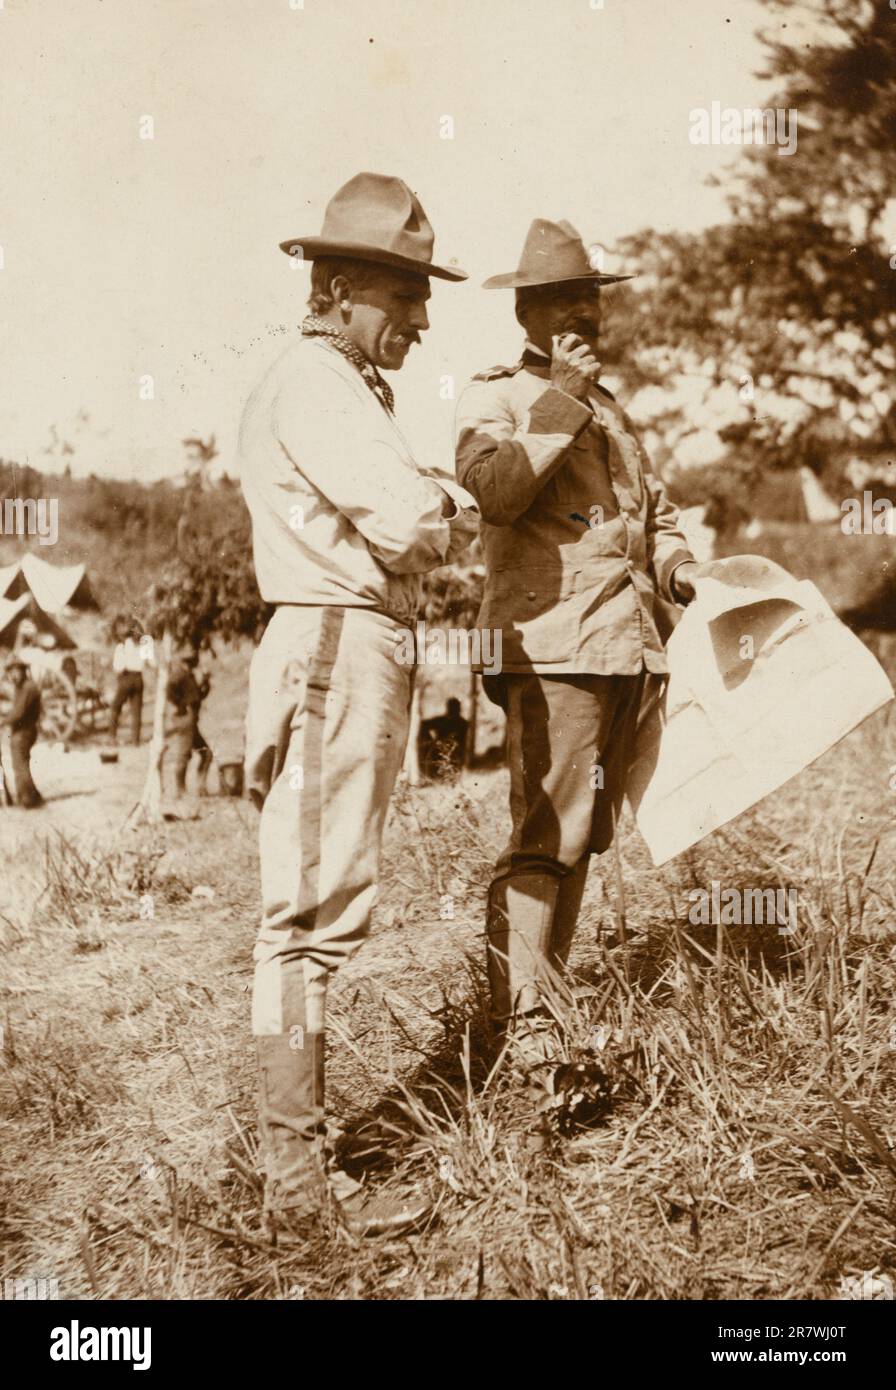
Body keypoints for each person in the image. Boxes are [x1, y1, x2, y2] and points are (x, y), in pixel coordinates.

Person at [240, 172, 478, 1238]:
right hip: (333, 635)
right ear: (337, 288)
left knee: (324, 906)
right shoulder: (318, 381)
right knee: (306, 916)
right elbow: (410, 526)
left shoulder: (340, 383)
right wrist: (443, 499)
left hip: (343, 635)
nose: (421, 320)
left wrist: (433, 501)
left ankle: (298, 1170)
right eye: (404, 295)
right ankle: (294, 1191)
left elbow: (412, 514)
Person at [455, 218, 699, 1055]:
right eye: (562, 302)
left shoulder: (614, 411)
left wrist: (681, 573)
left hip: (623, 647)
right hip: (550, 646)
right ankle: (519, 1030)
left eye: (590, 300)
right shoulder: (498, 398)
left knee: (584, 831)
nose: (583, 318)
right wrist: (558, 399)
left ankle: (545, 1004)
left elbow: (653, 516)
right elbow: (496, 493)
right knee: (544, 833)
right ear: (525, 315)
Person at [162, 647, 211, 798]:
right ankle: (180, 790)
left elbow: (197, 697)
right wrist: (181, 705)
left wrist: (205, 683)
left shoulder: (187, 675)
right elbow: (169, 690)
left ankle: (200, 787)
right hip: (186, 719)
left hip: (190, 720)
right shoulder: (180, 675)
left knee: (206, 753)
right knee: (184, 754)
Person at [1, 656, 43, 808]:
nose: (13, 675)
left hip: (25, 731)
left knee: (20, 764)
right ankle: (32, 795)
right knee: (19, 762)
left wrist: (3, 721)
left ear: (23, 671)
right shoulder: (22, 687)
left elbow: (18, 712)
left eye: (16, 671)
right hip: (19, 731)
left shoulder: (28, 688)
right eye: (11, 671)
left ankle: (28, 799)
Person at [109, 617, 147, 746]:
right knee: (136, 711)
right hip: (139, 679)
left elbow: (118, 667)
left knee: (115, 707)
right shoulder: (143, 645)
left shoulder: (123, 645)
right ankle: (135, 741)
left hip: (126, 678)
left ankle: (112, 737)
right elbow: (149, 662)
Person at [418, 696, 468, 778]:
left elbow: (463, 742)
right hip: (438, 749)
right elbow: (423, 725)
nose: (453, 709)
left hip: (454, 751)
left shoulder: (463, 723)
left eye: (455, 707)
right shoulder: (442, 720)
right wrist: (432, 740)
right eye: (451, 707)